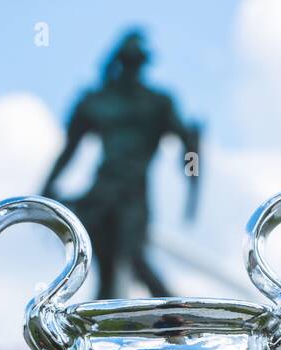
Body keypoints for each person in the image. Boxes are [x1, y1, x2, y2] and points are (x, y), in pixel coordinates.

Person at [42, 29, 201, 299]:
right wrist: (46, 188)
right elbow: (69, 151)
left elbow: (188, 150)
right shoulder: (100, 101)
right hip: (103, 192)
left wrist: (192, 168)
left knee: (132, 257)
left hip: (133, 194)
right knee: (106, 263)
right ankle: (110, 328)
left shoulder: (156, 103)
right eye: (129, 61)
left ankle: (176, 318)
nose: (132, 68)